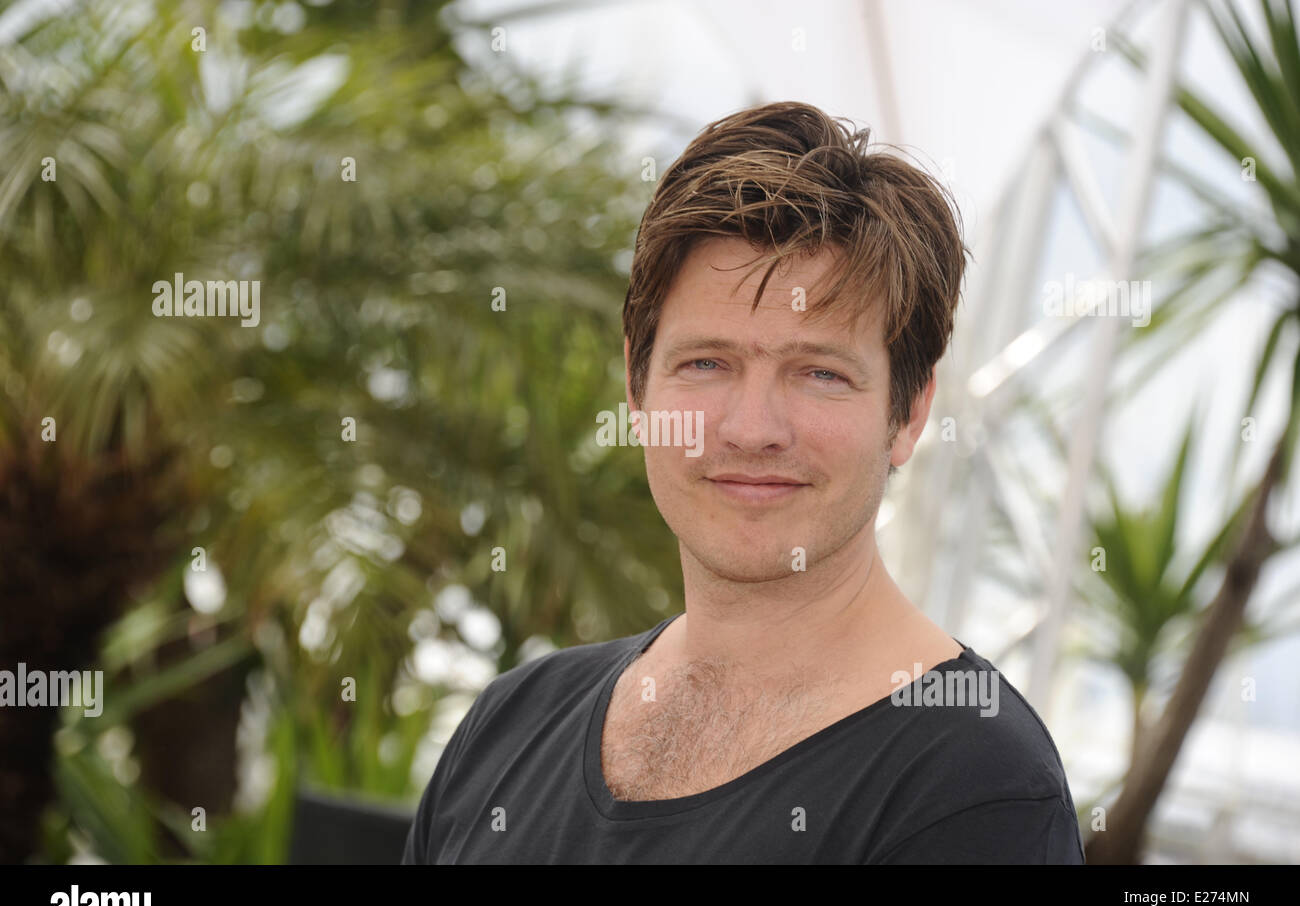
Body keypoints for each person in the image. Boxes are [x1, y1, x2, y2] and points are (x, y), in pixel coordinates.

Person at [403, 101, 1085, 864]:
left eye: (819, 373)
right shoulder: (508, 727)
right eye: (706, 363)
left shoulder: (975, 792)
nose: (751, 427)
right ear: (637, 385)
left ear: (909, 412)